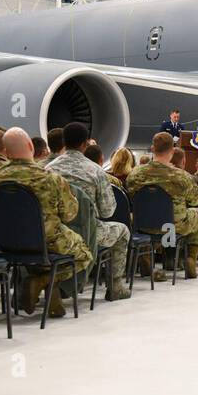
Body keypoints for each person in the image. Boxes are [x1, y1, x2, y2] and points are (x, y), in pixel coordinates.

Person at [0, 128, 92, 316]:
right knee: (84, 254)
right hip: (47, 239)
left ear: (5, 150)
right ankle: (43, 281)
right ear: (30, 146)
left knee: (38, 256)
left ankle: (52, 299)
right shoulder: (49, 178)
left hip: (5, 243)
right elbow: (69, 214)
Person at [47, 121, 132, 300]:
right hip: (88, 232)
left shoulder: (48, 169)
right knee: (123, 231)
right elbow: (108, 211)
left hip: (55, 232)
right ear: (85, 144)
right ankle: (115, 286)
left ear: (64, 141)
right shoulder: (95, 171)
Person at [126, 131, 198, 279]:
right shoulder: (181, 176)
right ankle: (190, 258)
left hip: (143, 225)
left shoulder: (135, 174)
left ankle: (146, 259)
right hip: (173, 226)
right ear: (172, 151)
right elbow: (196, 200)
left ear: (152, 149)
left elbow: (132, 196)